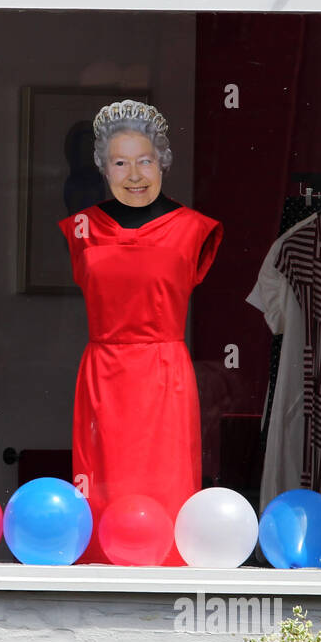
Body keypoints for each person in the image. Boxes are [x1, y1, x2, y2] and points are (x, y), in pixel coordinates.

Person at [58, 101, 222, 565]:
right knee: (103, 485)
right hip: (103, 374)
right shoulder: (82, 229)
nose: (134, 173)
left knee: (166, 487)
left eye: (145, 160)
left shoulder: (195, 229)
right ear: (103, 168)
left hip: (165, 376)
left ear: (163, 161)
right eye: (120, 162)